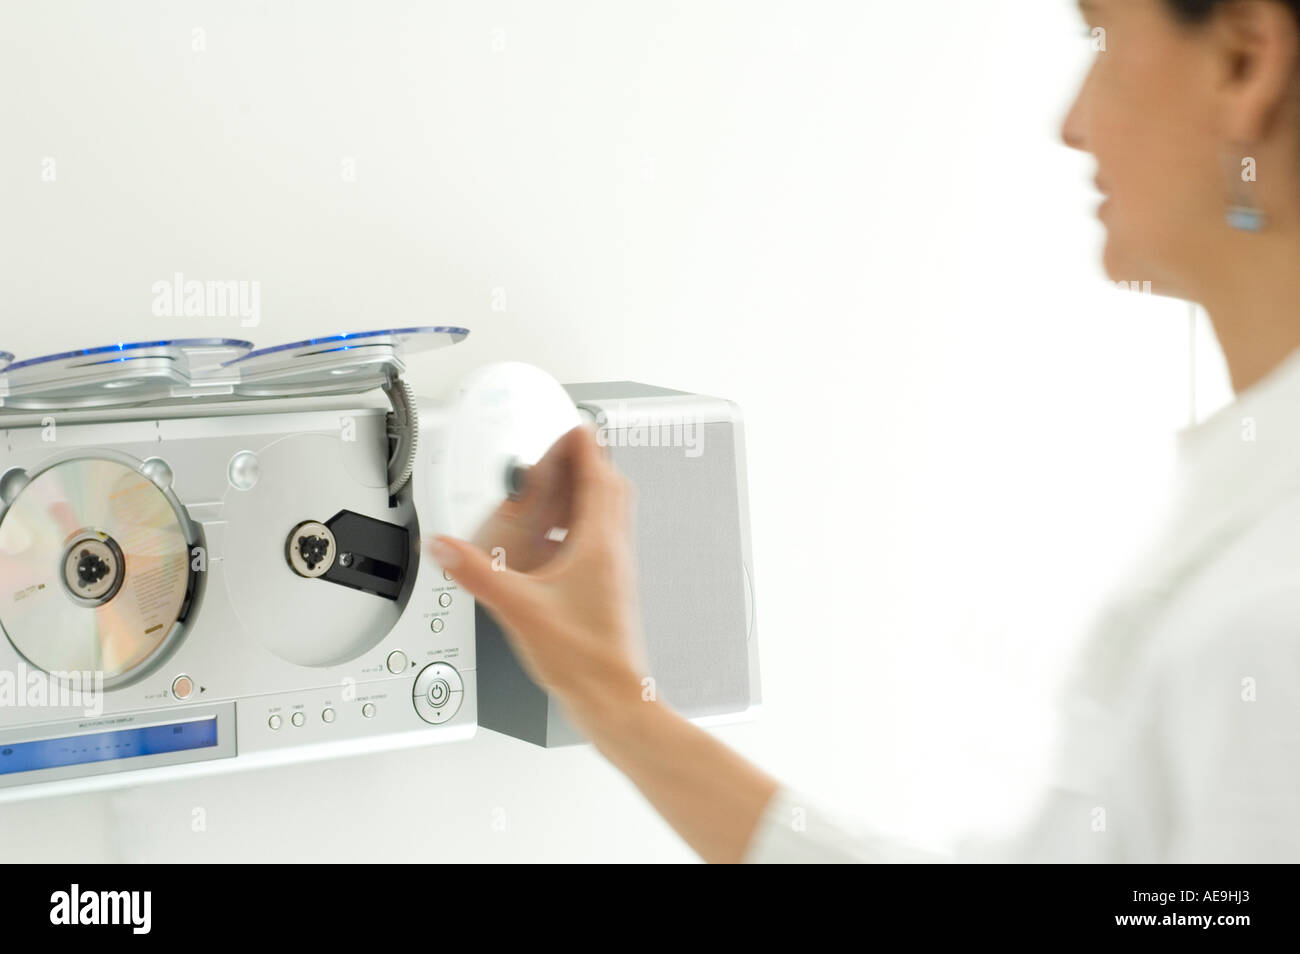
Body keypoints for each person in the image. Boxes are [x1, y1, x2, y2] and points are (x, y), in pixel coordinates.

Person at [428, 0, 1300, 863]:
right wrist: (613, 698)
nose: (1072, 124)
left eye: (1101, 43)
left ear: (1244, 61)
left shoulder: (1267, 611)